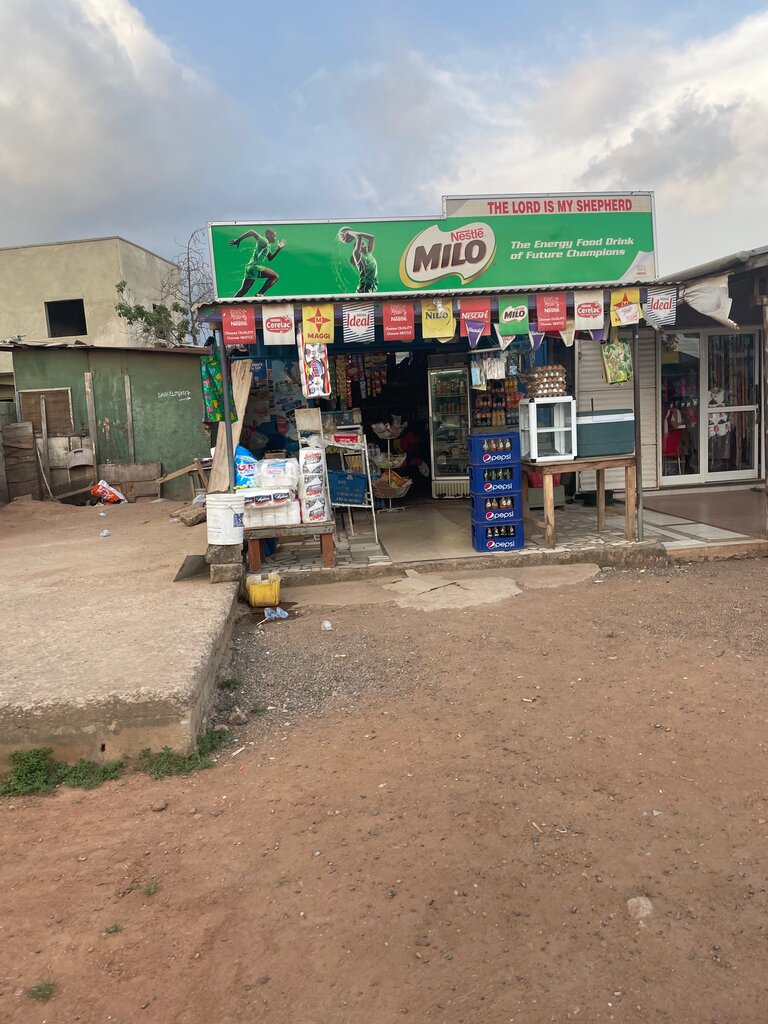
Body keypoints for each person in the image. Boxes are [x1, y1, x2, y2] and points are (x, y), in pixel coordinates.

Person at [229, 228, 286, 297]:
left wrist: (278, 249)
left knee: (243, 291)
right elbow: (251, 232)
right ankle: (259, 294)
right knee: (275, 276)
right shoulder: (264, 241)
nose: (275, 238)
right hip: (254, 266)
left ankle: (232, 304)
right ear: (268, 235)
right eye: (274, 236)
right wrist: (238, 240)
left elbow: (270, 258)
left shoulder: (268, 245)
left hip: (251, 268)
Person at [338, 227, 378, 293]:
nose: (364, 245)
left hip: (372, 286)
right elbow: (359, 236)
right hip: (364, 287)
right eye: (361, 245)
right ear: (357, 248)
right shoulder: (357, 256)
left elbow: (372, 237)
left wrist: (352, 233)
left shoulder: (369, 253)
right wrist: (348, 232)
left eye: (364, 244)